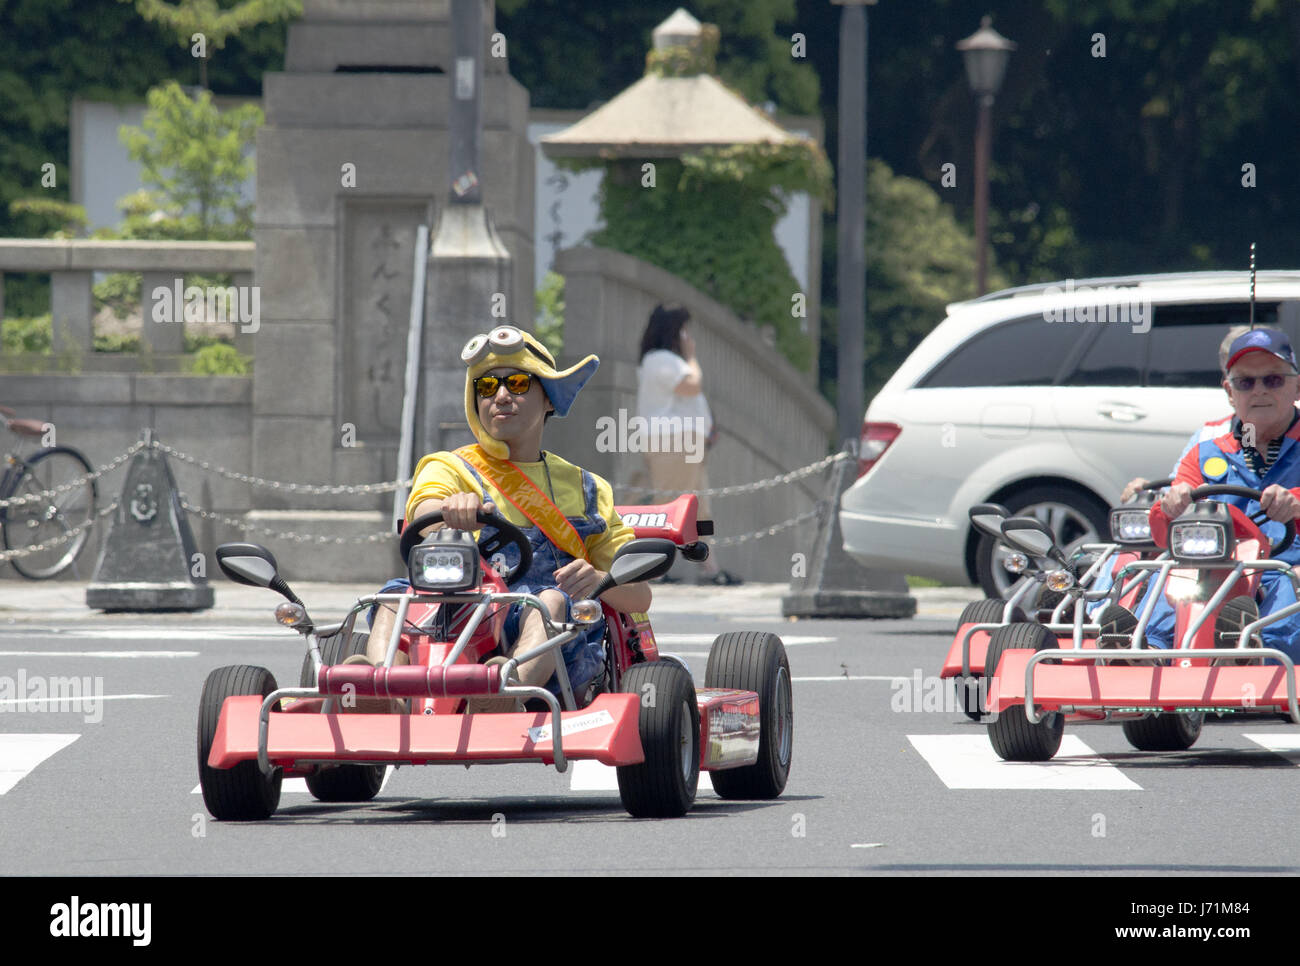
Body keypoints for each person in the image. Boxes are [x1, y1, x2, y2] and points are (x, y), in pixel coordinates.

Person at [358, 325, 650, 712]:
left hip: (550, 637)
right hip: (454, 616)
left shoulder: (587, 488)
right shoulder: (448, 467)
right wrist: (448, 514)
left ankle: (503, 693)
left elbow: (639, 595)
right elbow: (424, 513)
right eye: (486, 386)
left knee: (549, 601)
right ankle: (383, 694)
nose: (500, 396)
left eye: (517, 383)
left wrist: (598, 580)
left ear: (549, 398)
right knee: (396, 597)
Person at [1113, 327, 1300, 659]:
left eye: (1273, 380)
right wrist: (1170, 507)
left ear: (1296, 386)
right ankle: (1147, 651)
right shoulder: (1205, 454)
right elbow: (1160, 534)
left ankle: (1261, 654)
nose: (1259, 390)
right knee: (1174, 573)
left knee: (1287, 581)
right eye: (1246, 382)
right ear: (1230, 392)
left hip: (1287, 566)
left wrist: (1295, 503)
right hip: (1218, 571)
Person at [635, 303, 741, 585]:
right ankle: (656, 570)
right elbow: (691, 385)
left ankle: (710, 569)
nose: (688, 337)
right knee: (668, 505)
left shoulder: (662, 360)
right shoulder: (661, 359)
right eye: (684, 330)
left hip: (685, 443)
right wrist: (692, 357)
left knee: (699, 507)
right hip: (673, 442)